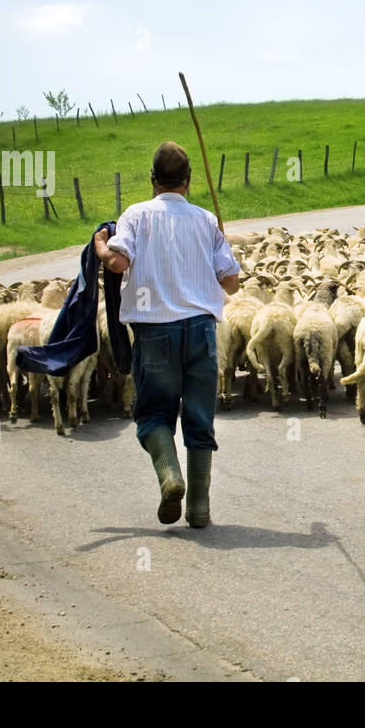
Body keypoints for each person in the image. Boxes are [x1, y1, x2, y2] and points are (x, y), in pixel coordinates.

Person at [93, 141, 246, 528]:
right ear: (188, 181)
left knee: (153, 414)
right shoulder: (206, 220)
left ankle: (170, 476)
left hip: (154, 333)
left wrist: (99, 247)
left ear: (153, 180)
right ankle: (199, 508)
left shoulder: (136, 216)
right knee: (199, 418)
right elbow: (231, 283)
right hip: (201, 332)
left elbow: (117, 263)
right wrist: (221, 254)